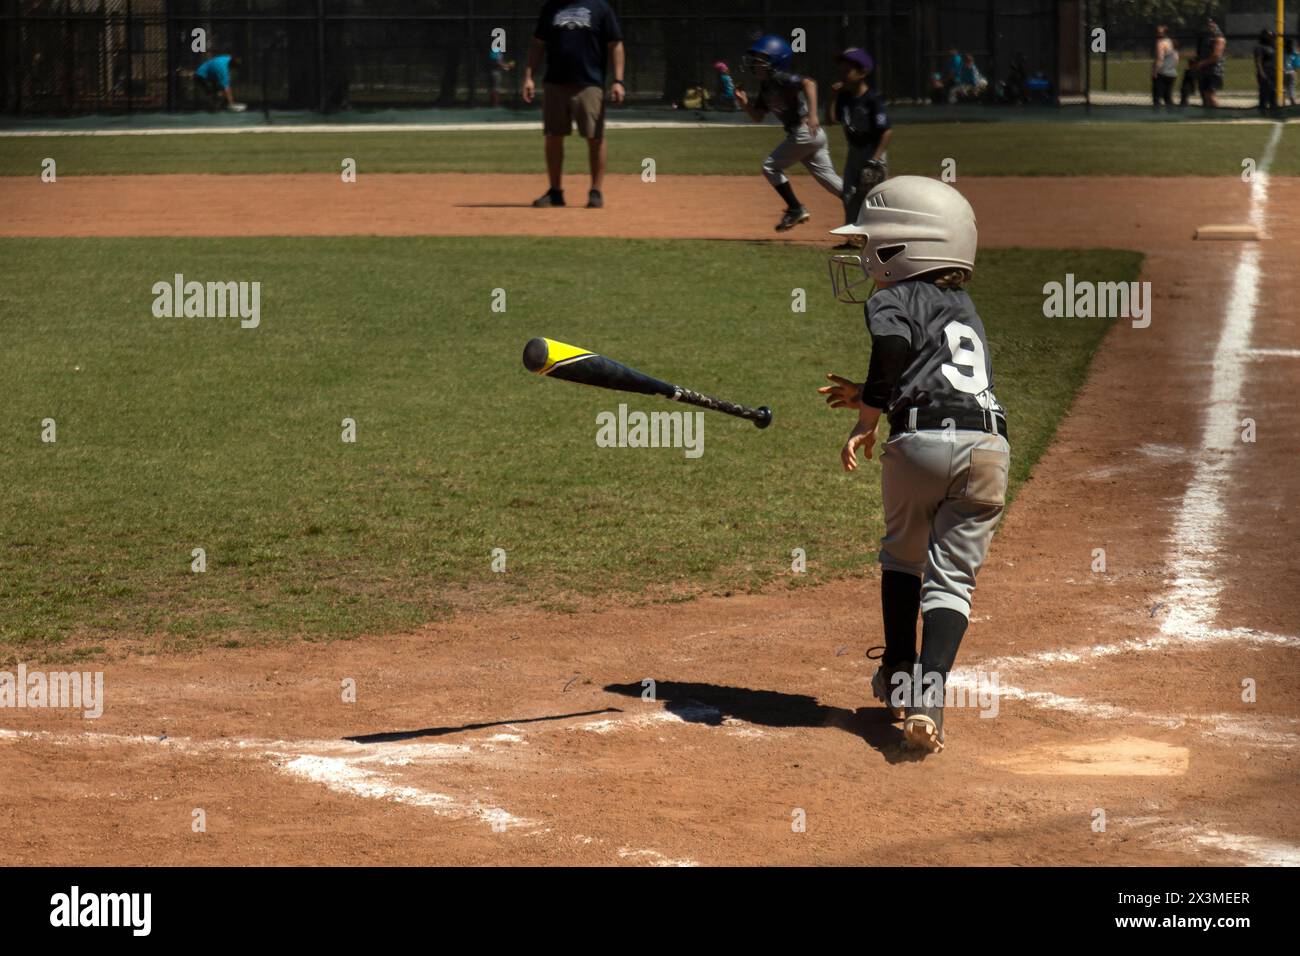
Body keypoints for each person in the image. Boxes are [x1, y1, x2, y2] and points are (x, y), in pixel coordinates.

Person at [819, 176, 1009, 756]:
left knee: (903, 555)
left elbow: (893, 352)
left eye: (869, 244)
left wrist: (867, 418)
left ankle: (899, 672)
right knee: (952, 579)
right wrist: (870, 393)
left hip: (921, 442)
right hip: (988, 448)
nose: (862, 255)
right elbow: (937, 371)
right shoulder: (964, 305)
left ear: (904, 247)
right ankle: (929, 695)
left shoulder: (891, 296)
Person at [523, 0, 626, 210]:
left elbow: (615, 44)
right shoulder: (551, 7)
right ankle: (555, 192)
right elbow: (537, 43)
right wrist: (528, 77)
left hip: (589, 83)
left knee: (595, 137)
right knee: (553, 137)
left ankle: (595, 191)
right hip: (555, 82)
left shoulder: (600, 7)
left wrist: (618, 80)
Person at [734, 34, 843, 232]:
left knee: (770, 167)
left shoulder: (780, 77)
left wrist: (813, 115)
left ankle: (795, 208)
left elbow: (809, 83)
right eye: (754, 60)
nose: (755, 64)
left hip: (805, 131)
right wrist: (744, 104)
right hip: (809, 135)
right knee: (831, 182)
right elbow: (758, 116)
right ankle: (867, 204)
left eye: (760, 60)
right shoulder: (767, 86)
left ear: (776, 61)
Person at [827, 48, 891, 245]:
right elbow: (830, 120)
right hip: (854, 152)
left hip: (872, 152)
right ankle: (852, 238)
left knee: (872, 197)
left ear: (862, 73)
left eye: (847, 71)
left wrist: (875, 159)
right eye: (841, 71)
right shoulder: (845, 97)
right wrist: (832, 97)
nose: (843, 75)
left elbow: (886, 131)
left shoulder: (872, 99)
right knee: (849, 194)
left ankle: (878, 238)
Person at [1196, 18, 1227, 109]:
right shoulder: (1207, 37)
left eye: (1211, 23)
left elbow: (1216, 56)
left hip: (1214, 71)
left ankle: (1216, 113)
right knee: (1205, 94)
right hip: (1205, 70)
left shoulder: (1219, 38)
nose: (1209, 26)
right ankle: (1208, 113)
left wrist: (1202, 63)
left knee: (1211, 93)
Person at [1152, 25, 1178, 110]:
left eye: (1159, 32)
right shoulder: (1171, 42)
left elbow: (1160, 58)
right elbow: (1176, 57)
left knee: (1157, 97)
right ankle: (1171, 114)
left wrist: (1155, 71)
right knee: (1168, 96)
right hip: (1172, 73)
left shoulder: (1160, 43)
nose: (1157, 34)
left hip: (1162, 73)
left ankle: (1157, 115)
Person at [1255, 29, 1278, 114]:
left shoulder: (1273, 46)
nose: (1270, 37)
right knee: (1264, 92)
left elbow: (1275, 37)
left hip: (1273, 73)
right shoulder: (1260, 47)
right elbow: (1258, 62)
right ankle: (1262, 110)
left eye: (1271, 35)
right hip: (1265, 72)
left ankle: (1273, 109)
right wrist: (1262, 73)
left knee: (1273, 91)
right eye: (1268, 35)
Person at [1285, 38, 1299, 107]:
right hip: (1291, 71)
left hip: (1283, 72)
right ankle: (1292, 100)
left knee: (1284, 87)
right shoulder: (1295, 53)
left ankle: (1282, 100)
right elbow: (1296, 65)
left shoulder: (1282, 52)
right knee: (1291, 87)